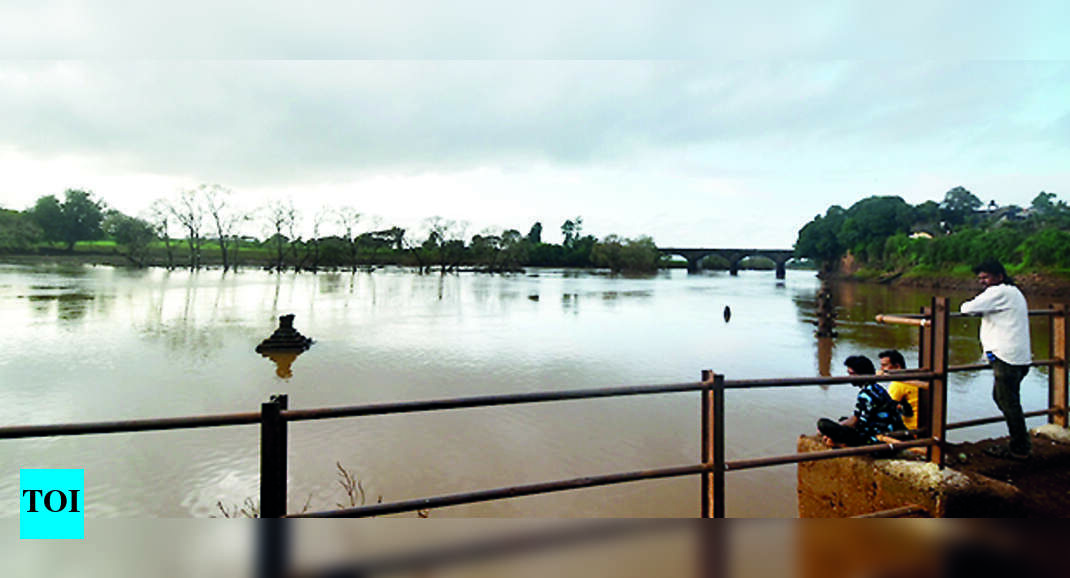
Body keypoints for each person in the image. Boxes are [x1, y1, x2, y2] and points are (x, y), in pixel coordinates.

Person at [960, 259, 1032, 460]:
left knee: (1008, 402)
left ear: (999, 277)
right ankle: (1020, 441)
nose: (982, 281)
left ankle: (1020, 448)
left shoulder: (998, 292)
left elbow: (966, 308)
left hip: (1006, 358)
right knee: (1005, 399)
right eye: (980, 278)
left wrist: (974, 305)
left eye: (986, 277)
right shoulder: (1014, 292)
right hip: (1019, 358)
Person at [817, 355, 906, 448]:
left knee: (823, 424)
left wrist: (830, 430)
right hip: (885, 430)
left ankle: (843, 444)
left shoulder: (866, 394)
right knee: (843, 420)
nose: (849, 377)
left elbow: (856, 421)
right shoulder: (877, 388)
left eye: (852, 374)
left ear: (860, 374)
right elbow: (860, 416)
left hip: (875, 438)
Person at [879, 349, 920, 432]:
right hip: (921, 424)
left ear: (897, 366)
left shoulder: (897, 384)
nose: (881, 369)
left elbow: (886, 408)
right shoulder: (915, 378)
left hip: (910, 429)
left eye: (884, 365)